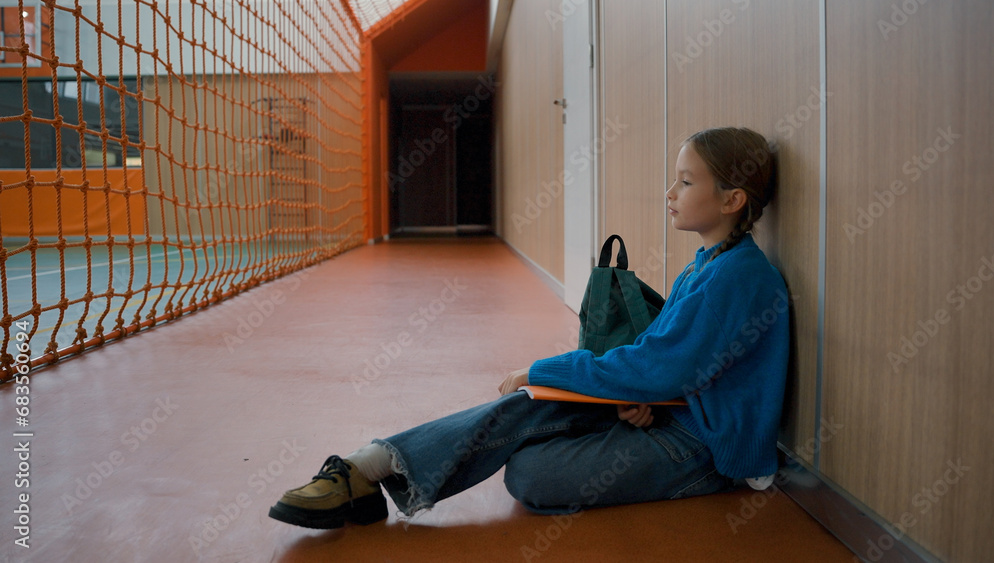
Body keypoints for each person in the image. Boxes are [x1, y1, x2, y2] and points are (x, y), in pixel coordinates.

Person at [268, 126, 790, 529]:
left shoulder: (738, 277)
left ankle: (371, 471)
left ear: (731, 199)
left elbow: (657, 366)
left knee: (529, 473)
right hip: (672, 417)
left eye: (686, 180)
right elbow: (674, 363)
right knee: (532, 404)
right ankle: (369, 467)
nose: (670, 190)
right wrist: (651, 400)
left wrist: (545, 368)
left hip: (702, 452)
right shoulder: (706, 263)